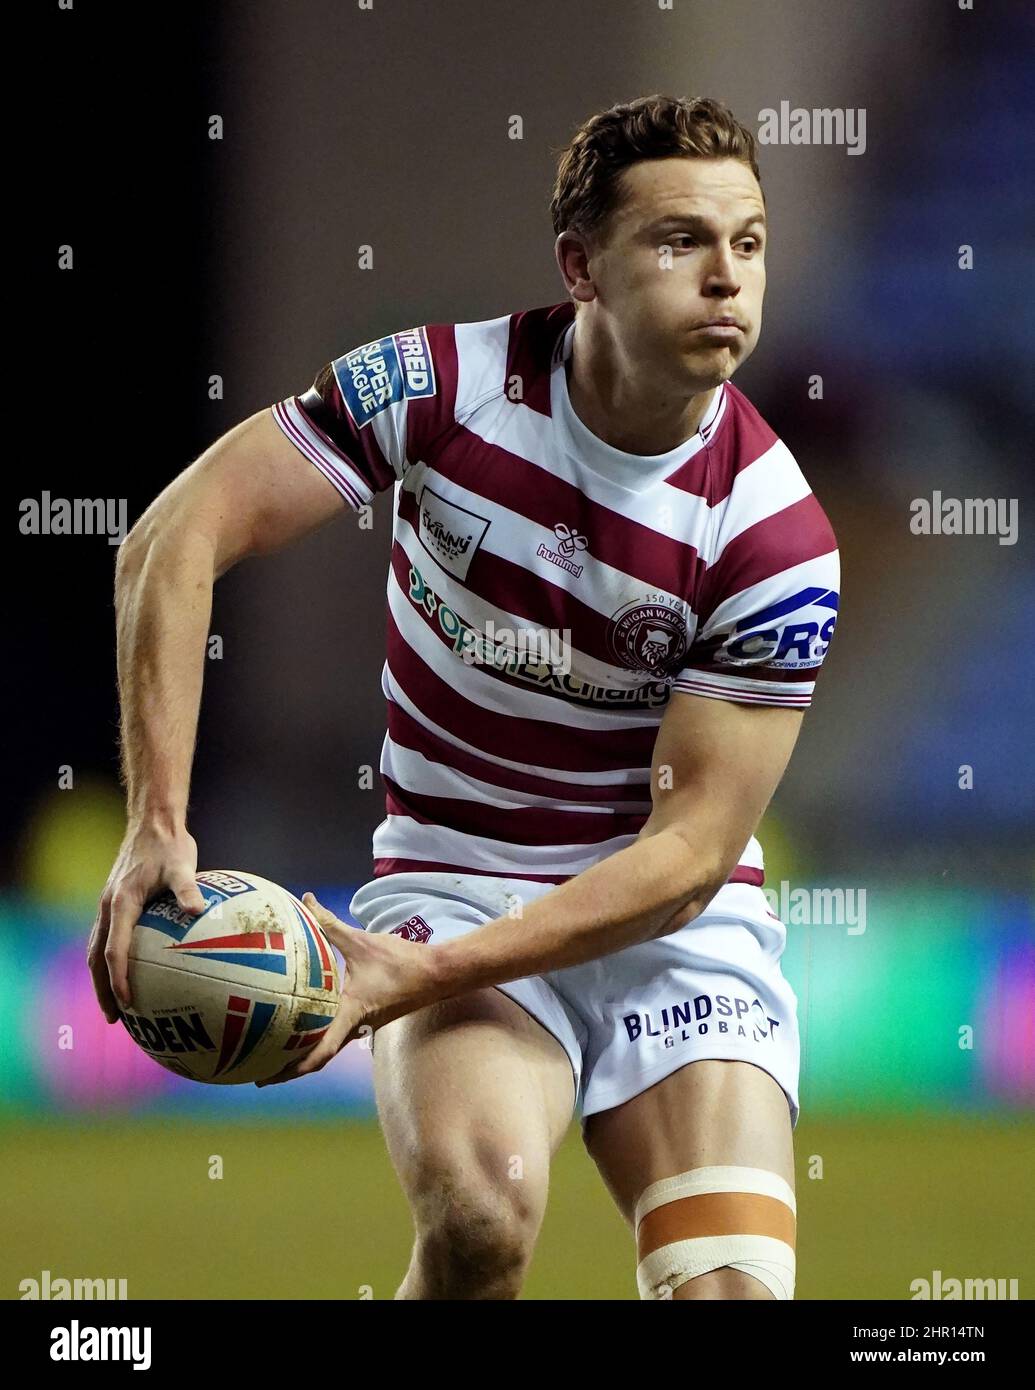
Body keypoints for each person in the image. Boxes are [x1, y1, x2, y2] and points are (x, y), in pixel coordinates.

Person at [89, 94, 840, 1301]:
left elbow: (694, 853)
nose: (724, 277)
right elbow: (172, 539)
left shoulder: (773, 534)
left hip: (673, 930)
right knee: (484, 1217)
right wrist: (156, 823)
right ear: (579, 267)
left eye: (747, 242)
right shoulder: (441, 386)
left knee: (731, 1295)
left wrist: (409, 982)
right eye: (679, 240)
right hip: (453, 876)